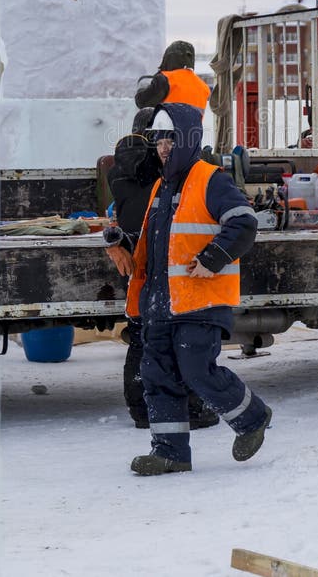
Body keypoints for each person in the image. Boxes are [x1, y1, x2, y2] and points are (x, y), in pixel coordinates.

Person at [117, 102, 271, 475]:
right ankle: (170, 452)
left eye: (170, 139)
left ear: (188, 139)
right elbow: (160, 244)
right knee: (158, 375)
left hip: (200, 301)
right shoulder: (160, 186)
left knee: (196, 370)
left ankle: (252, 417)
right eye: (158, 140)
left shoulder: (211, 179)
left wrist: (212, 257)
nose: (163, 147)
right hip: (162, 303)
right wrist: (120, 239)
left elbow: (244, 222)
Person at [105, 108, 218, 431]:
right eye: (162, 137)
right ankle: (191, 407)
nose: (166, 145)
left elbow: (119, 212)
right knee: (176, 339)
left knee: (142, 337)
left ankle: (141, 408)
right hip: (166, 262)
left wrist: (113, 239)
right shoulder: (164, 173)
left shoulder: (120, 170)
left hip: (137, 261)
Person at [134, 40, 211, 114]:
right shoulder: (204, 87)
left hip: (165, 127)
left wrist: (142, 89)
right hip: (194, 127)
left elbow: (142, 102)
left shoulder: (164, 79)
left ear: (168, 58)